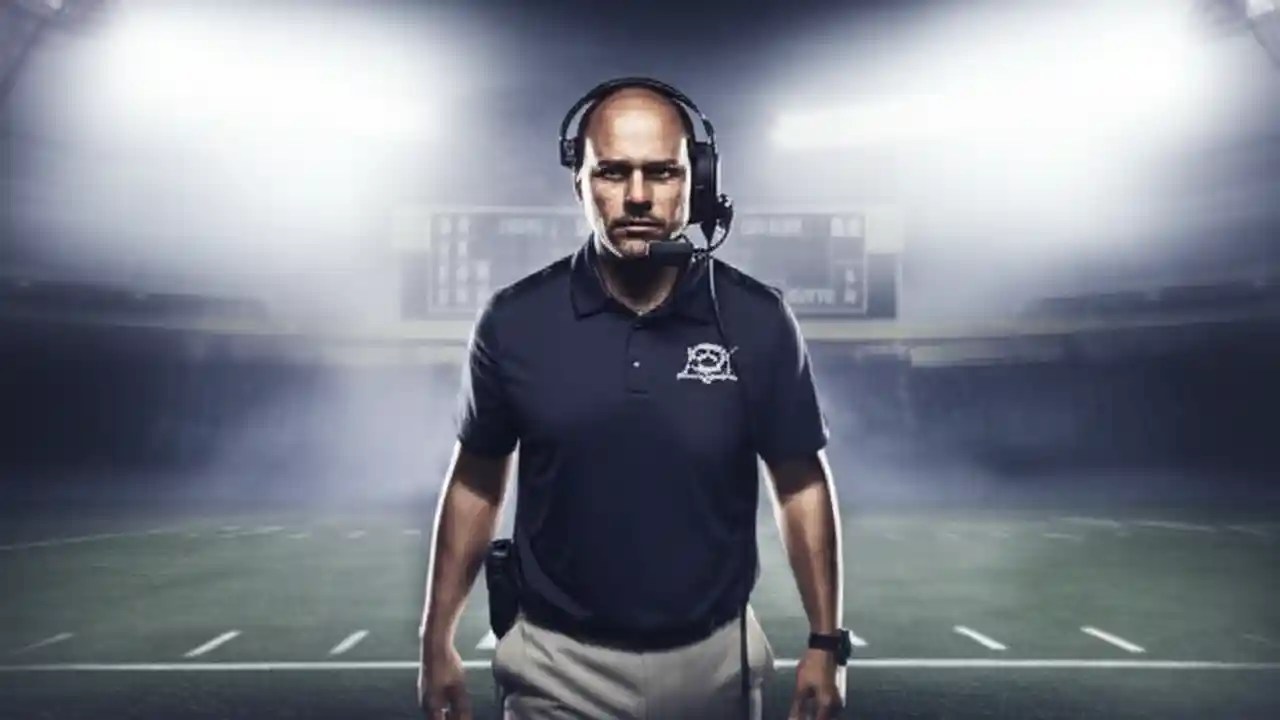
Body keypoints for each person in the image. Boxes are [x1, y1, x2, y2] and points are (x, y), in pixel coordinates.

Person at [418, 77, 850, 720]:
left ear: (697, 182)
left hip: (714, 663)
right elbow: (477, 481)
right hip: (556, 668)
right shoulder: (514, 320)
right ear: (580, 180)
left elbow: (800, 483)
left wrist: (825, 642)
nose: (639, 196)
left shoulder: (757, 318)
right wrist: (435, 638)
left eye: (663, 173)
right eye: (613, 172)